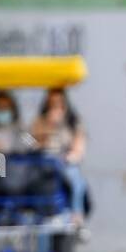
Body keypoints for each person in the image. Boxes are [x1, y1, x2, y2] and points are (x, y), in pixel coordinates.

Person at [29, 87, 89, 217]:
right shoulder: (39, 121)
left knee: (76, 182)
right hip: (43, 163)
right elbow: (28, 141)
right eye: (51, 103)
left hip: (65, 163)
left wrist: (69, 157)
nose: (55, 106)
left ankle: (76, 214)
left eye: (59, 103)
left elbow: (79, 147)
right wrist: (46, 131)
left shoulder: (74, 122)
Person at [0, 90, 35, 160]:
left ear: (13, 110)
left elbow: (33, 145)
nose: (2, 110)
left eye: (5, 107)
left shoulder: (21, 130)